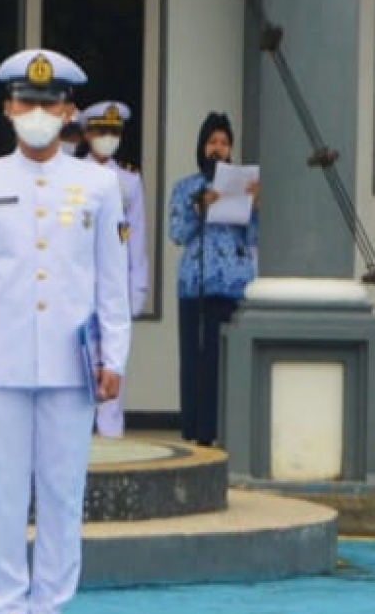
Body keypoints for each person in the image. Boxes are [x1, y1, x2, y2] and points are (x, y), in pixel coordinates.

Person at [0, 47, 128, 614]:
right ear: (7, 108)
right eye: (27, 102)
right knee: (1, 493)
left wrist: (115, 357)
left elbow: (112, 281)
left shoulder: (99, 185)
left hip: (71, 367)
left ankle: (48, 613)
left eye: (51, 103)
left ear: (70, 111)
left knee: (62, 491)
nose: (38, 112)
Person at [164, 110, 260, 448]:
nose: (218, 147)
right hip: (195, 282)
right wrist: (198, 207)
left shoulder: (241, 185)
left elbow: (252, 238)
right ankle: (196, 430)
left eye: (224, 142)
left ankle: (226, 427)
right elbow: (176, 233)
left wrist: (256, 206)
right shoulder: (186, 187)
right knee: (195, 357)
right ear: (202, 146)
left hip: (233, 283)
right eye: (212, 141)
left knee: (226, 358)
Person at [74, 100, 149, 438]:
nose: (108, 138)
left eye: (114, 132)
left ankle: (111, 444)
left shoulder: (129, 180)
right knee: (75, 372)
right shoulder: (72, 174)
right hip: (77, 285)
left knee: (112, 372)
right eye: (101, 131)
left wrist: (138, 290)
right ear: (87, 134)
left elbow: (136, 239)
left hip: (113, 286)